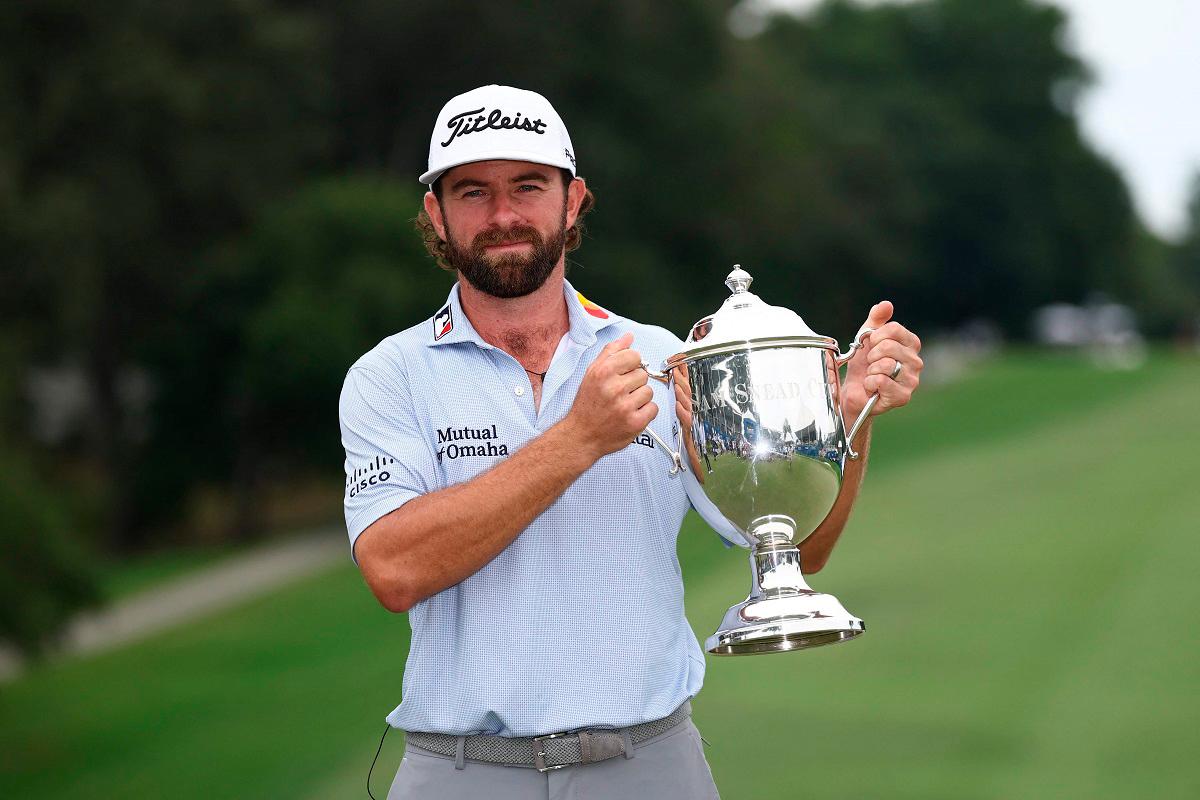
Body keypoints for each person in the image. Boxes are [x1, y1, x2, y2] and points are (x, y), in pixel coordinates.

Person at [339, 85, 923, 800]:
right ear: (437, 213)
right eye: (473, 192)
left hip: (647, 765)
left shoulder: (660, 356)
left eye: (528, 186)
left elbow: (797, 549)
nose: (503, 215)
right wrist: (578, 439)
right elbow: (394, 569)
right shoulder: (390, 376)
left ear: (573, 201)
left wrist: (849, 422)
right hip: (461, 772)